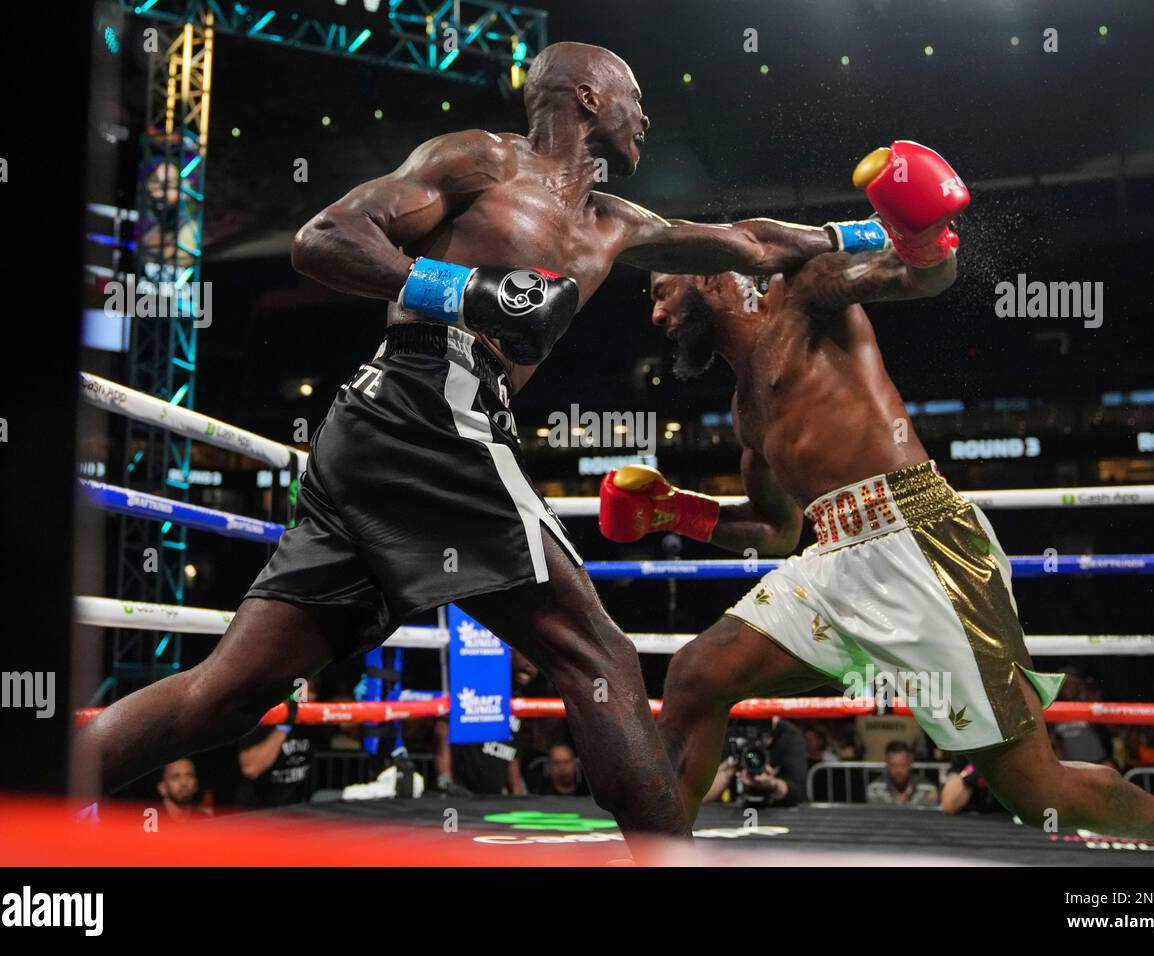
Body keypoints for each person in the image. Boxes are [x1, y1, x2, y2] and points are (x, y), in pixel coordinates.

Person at [73, 41, 865, 843]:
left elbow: (752, 244)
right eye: (633, 96)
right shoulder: (483, 162)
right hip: (426, 403)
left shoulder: (618, 225)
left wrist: (866, 232)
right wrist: (468, 288)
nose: (647, 116)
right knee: (601, 660)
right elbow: (326, 234)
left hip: (390, 436)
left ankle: (14, 785)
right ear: (588, 97)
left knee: (228, 695)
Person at [605, 140, 1154, 865]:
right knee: (696, 674)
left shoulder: (803, 290)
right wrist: (673, 512)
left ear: (711, 277)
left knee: (1036, 791)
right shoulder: (745, 412)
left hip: (922, 543)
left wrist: (921, 230)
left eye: (660, 290)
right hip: (831, 560)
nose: (655, 316)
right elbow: (778, 529)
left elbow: (920, 277)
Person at [434, 650, 538, 795]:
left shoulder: (518, 703)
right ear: (509, 654)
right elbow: (442, 731)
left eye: (536, 661)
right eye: (525, 656)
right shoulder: (480, 685)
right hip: (461, 790)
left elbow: (510, 753)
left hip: (492, 799)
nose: (530, 665)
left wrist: (517, 793)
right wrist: (445, 782)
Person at [703, 717, 807, 808]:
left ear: (776, 717)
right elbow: (701, 798)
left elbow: (798, 792)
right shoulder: (731, 736)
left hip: (777, 811)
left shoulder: (789, 737)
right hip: (732, 811)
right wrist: (728, 770)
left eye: (764, 722)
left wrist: (772, 784)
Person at [866, 741, 939, 807]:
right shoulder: (875, 788)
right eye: (893, 765)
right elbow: (877, 817)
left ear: (910, 764)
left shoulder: (927, 788)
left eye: (902, 765)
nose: (898, 770)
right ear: (887, 765)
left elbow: (929, 817)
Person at [156, 758, 211, 823]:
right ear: (162, 788)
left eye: (189, 776)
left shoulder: (205, 821)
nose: (184, 783)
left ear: (196, 784)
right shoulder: (150, 824)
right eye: (175, 777)